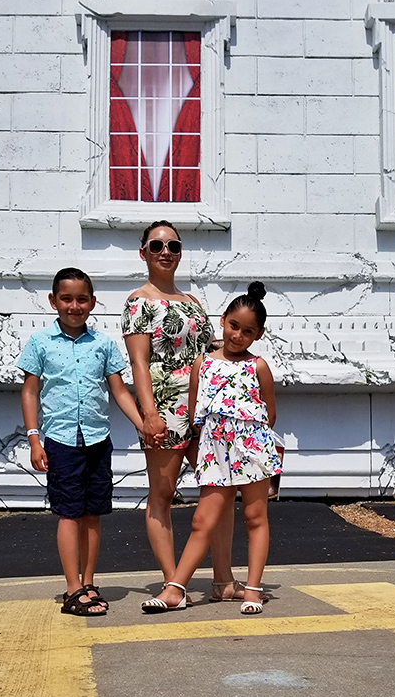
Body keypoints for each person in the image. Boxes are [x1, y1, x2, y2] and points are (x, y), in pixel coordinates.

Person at [141, 281, 282, 615]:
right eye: (234, 326)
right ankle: (175, 589)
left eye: (248, 331)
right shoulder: (202, 363)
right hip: (215, 450)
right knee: (202, 520)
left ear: (258, 334)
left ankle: (252, 590)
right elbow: (194, 411)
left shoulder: (258, 366)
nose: (238, 335)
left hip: (252, 450)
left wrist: (248, 441)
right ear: (223, 320)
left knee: (254, 517)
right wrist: (216, 440)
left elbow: (269, 412)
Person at [122, 221, 244, 601]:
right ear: (143, 253)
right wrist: (149, 414)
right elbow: (139, 363)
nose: (166, 253)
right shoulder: (137, 301)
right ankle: (173, 580)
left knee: (220, 491)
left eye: (173, 246)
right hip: (164, 407)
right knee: (162, 493)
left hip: (205, 408)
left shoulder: (192, 303)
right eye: (157, 246)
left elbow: (212, 351)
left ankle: (223, 581)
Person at [19, 267, 144, 616]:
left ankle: (89, 582)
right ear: (53, 301)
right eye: (66, 299)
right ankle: (72, 587)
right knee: (69, 514)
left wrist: (142, 424)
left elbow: (118, 390)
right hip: (60, 441)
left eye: (82, 299)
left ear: (92, 302)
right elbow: (30, 391)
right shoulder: (40, 343)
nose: (74, 306)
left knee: (93, 515)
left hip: (97, 440)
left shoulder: (103, 344)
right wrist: (33, 439)